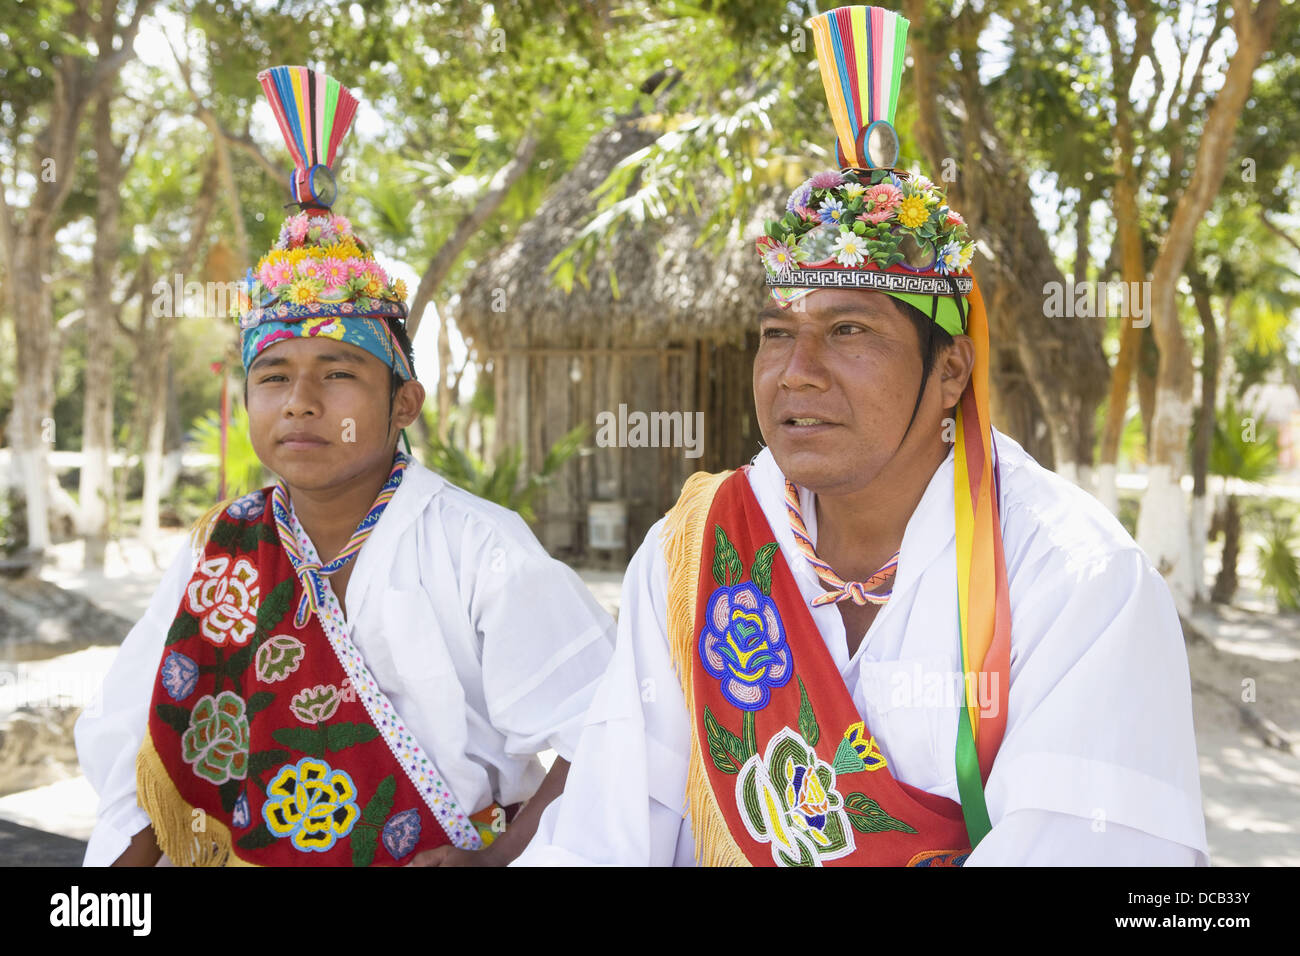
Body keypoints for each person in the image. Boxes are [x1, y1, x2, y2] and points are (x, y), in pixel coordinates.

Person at [515, 5, 1207, 866]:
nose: (796, 371)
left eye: (850, 332)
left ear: (949, 372)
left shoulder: (1073, 578)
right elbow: (606, 832)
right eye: (777, 333)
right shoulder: (694, 551)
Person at [75, 66, 615, 867]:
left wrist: (495, 865)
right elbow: (150, 749)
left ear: (404, 405)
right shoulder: (222, 548)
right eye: (273, 377)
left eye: (337, 373)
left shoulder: (482, 550)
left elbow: (603, 738)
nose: (300, 402)